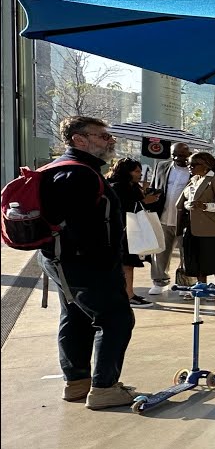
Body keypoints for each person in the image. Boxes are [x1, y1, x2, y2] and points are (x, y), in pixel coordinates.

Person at [36, 116, 138, 409]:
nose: (110, 141)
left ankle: (78, 383)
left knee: (76, 317)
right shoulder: (78, 175)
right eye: (103, 136)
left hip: (60, 261)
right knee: (116, 319)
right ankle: (104, 388)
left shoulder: (62, 169)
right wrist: (105, 263)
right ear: (79, 140)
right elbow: (79, 226)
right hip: (83, 263)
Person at [107, 157, 160, 307]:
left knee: (127, 263)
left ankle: (128, 293)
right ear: (126, 171)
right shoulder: (117, 187)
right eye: (136, 171)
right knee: (126, 264)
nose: (139, 174)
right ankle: (128, 295)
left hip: (130, 230)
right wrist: (143, 202)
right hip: (122, 230)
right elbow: (121, 208)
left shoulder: (132, 186)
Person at [181, 151, 215, 298]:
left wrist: (205, 206)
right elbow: (185, 200)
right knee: (197, 261)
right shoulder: (194, 180)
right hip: (193, 227)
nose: (189, 167)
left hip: (213, 228)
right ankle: (201, 288)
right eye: (188, 164)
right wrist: (188, 205)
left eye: (193, 164)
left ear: (206, 165)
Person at [146, 142, 192, 295]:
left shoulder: (195, 170)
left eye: (180, 156)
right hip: (163, 217)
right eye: (174, 155)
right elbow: (154, 187)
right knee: (159, 252)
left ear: (188, 155)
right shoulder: (162, 166)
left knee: (187, 254)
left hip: (185, 220)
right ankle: (160, 282)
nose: (176, 158)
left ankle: (185, 284)